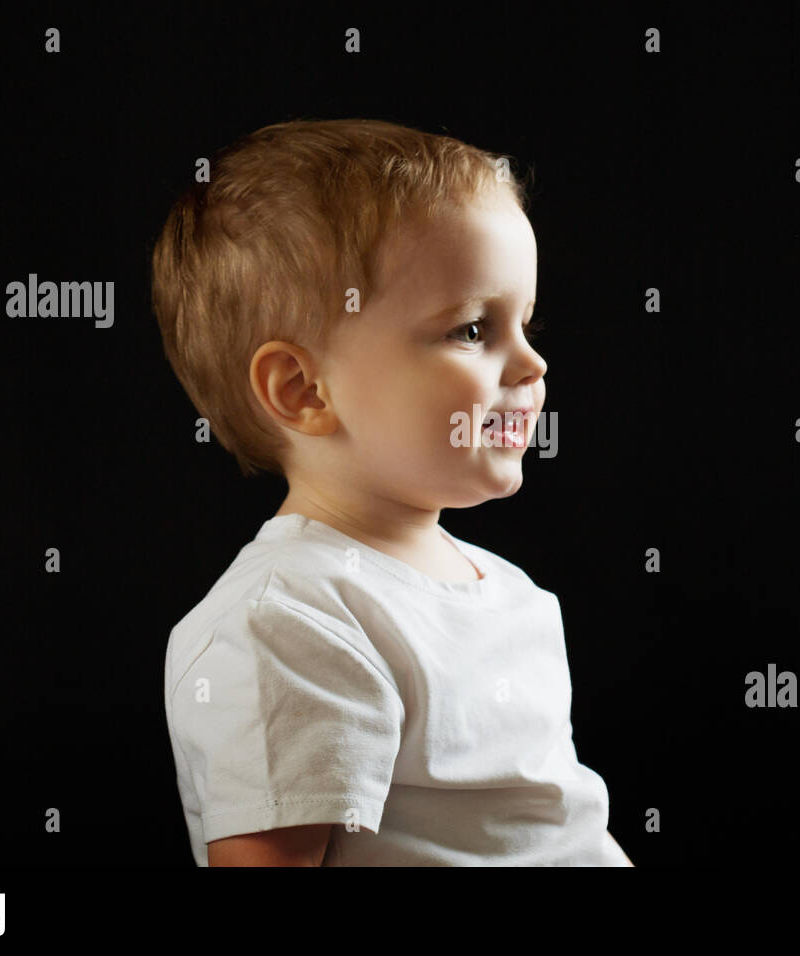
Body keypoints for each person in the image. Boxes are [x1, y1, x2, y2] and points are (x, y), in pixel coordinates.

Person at [153, 118, 632, 866]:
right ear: (305, 390)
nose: (533, 364)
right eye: (473, 330)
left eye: (526, 324)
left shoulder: (507, 593)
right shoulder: (290, 623)